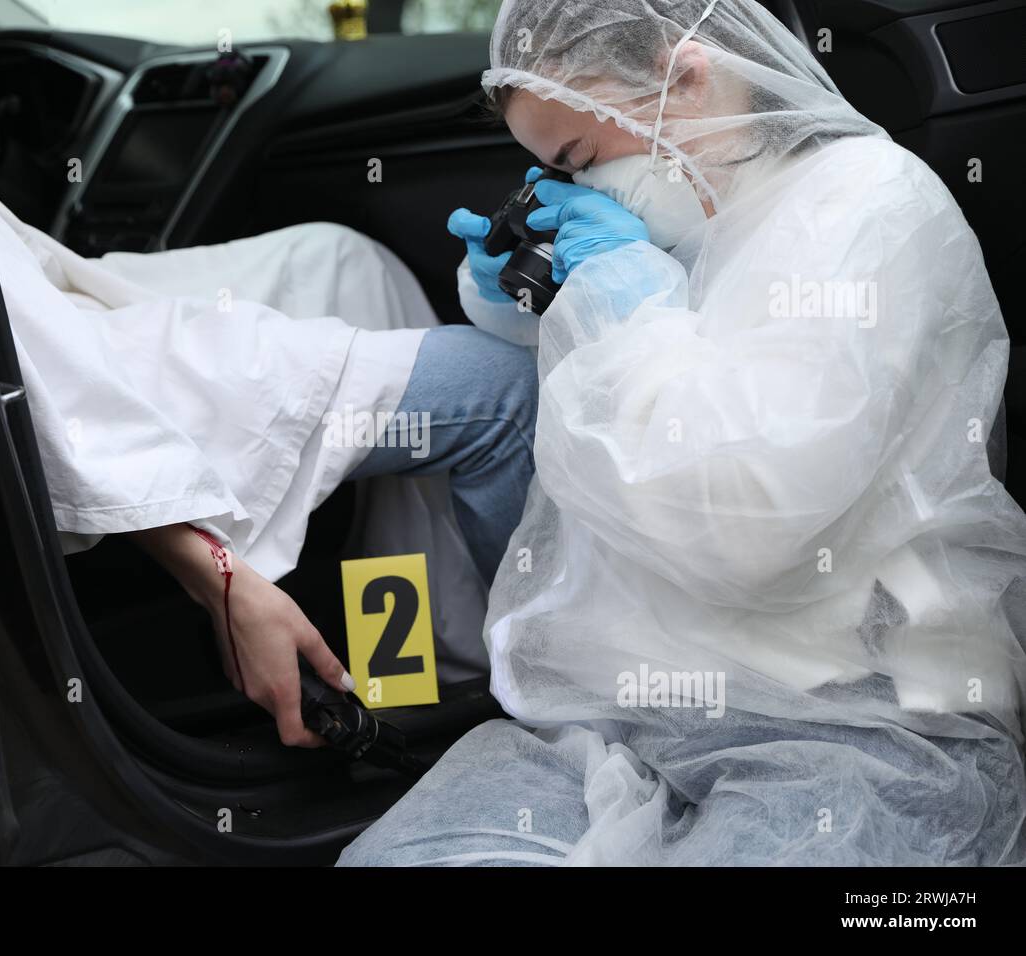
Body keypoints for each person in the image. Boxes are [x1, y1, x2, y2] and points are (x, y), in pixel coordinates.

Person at [338, 0, 1026, 866]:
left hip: (851, 715)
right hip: (629, 711)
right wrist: (506, 291)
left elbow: (742, 515)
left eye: (581, 160)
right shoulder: (701, 206)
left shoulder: (867, 210)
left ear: (686, 77)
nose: (579, 193)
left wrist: (620, 293)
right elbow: (606, 343)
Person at [0, 176, 539, 748]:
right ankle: (542, 689)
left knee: (346, 261)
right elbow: (58, 408)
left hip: (54, 301)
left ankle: (407, 665)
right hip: (54, 346)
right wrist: (224, 584)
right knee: (502, 392)